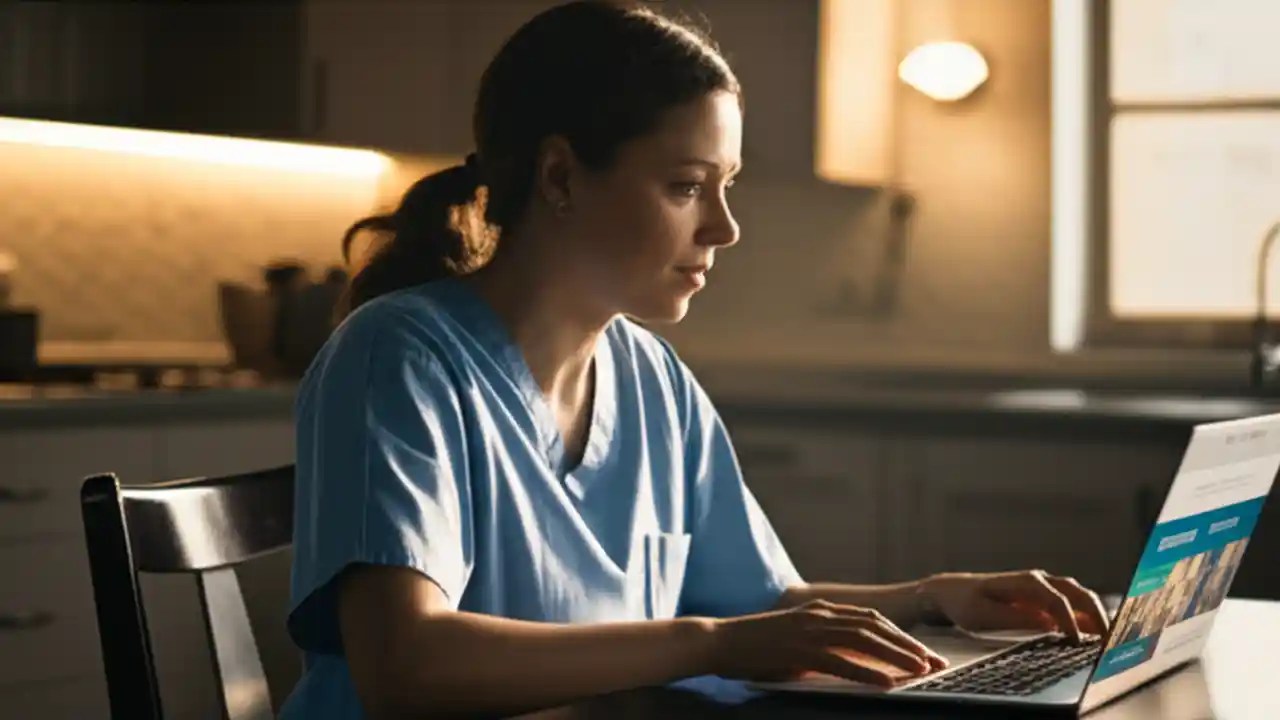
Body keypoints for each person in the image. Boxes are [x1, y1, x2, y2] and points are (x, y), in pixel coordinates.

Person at [281, 2, 1109, 718]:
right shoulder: (400, 356)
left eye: (727, 185)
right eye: (687, 186)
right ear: (561, 176)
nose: (724, 227)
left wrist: (935, 598)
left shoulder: (652, 378)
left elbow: (762, 609)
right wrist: (710, 644)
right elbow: (406, 668)